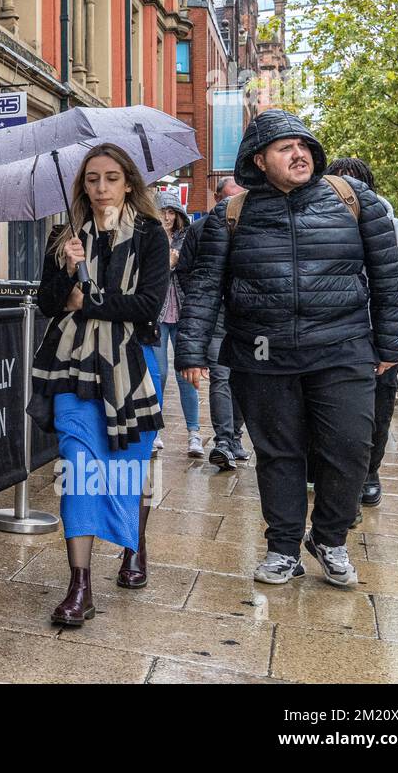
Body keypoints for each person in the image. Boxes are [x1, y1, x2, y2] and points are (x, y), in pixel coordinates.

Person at [176, 110, 398, 589]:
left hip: (343, 348)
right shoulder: (230, 215)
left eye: (303, 145)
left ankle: (329, 538)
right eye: (285, 148)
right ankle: (283, 548)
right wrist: (192, 351)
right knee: (279, 453)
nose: (299, 153)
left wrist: (391, 345)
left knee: (349, 446)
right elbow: (205, 287)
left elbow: (389, 278)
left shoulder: (354, 200)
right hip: (263, 353)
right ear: (259, 160)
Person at [31, 143, 167, 626]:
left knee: (130, 464)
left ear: (128, 182)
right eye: (92, 179)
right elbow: (49, 304)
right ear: (82, 185)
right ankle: (80, 585)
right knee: (78, 468)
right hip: (71, 370)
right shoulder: (63, 236)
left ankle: (134, 545)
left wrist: (85, 301)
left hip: (132, 365)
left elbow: (147, 305)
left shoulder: (151, 234)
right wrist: (68, 270)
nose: (101, 187)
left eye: (111, 177)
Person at [326, 157, 398, 507]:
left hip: (378, 334)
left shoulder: (390, 225)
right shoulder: (317, 224)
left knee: (379, 408)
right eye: (339, 182)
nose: (347, 190)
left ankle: (369, 473)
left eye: (354, 182)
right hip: (336, 334)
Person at [175, 176, 249, 471]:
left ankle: (235, 437)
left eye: (239, 197)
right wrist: (203, 297)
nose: (234, 203)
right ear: (216, 199)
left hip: (247, 316)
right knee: (221, 377)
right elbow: (184, 271)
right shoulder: (199, 229)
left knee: (243, 380)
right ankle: (223, 441)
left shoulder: (254, 225)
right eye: (229, 197)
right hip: (216, 315)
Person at [154, 190, 202, 457]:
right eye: (163, 212)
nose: (167, 217)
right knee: (158, 374)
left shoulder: (189, 238)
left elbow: (192, 272)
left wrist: (174, 263)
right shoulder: (150, 239)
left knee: (187, 374)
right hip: (158, 315)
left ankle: (194, 433)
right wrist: (167, 263)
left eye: (172, 212)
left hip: (183, 313)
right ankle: (154, 431)